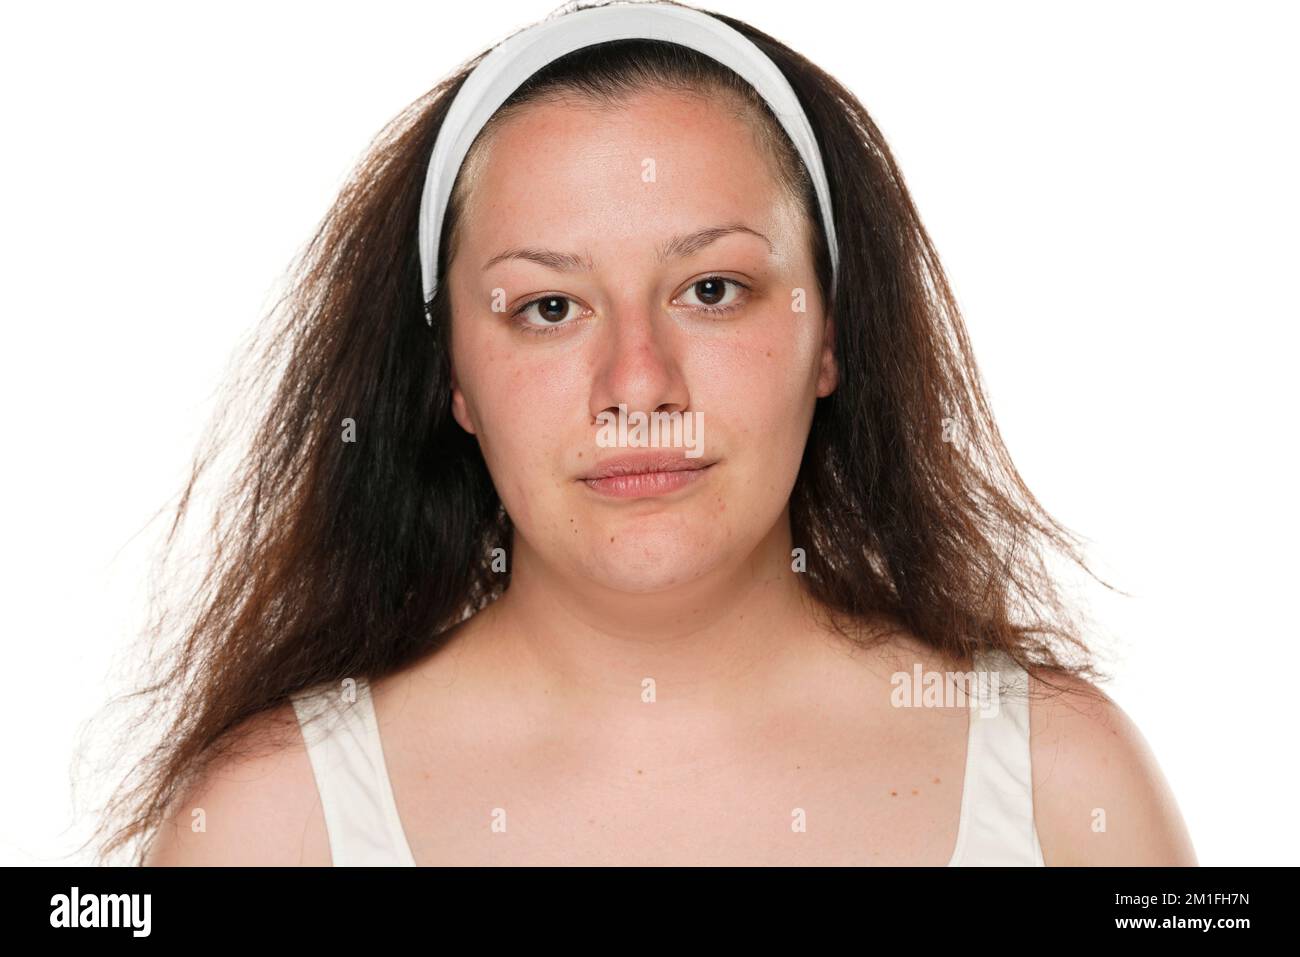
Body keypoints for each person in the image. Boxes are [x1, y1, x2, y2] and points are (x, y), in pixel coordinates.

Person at [94, 0, 1195, 866]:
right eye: (548, 308)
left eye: (711, 289)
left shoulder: (1064, 783)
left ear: (829, 338)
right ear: (455, 382)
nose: (637, 383)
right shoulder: (269, 827)